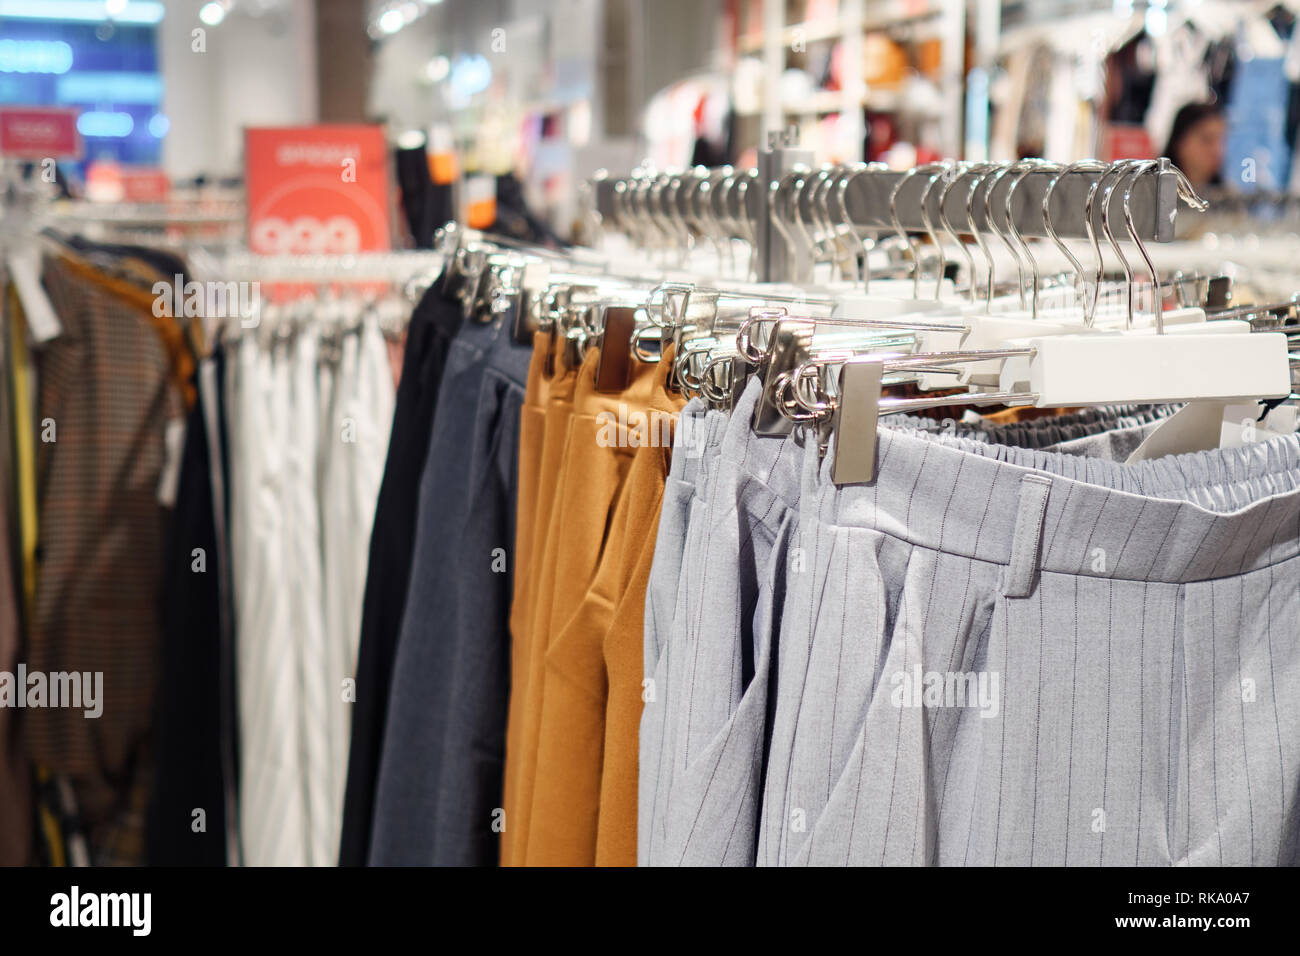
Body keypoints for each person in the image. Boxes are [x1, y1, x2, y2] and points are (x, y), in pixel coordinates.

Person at [1162, 101, 1226, 192]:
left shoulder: (1230, 198)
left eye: (1222, 141)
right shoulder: (1152, 193)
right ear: (1180, 142)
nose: (1217, 150)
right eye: (1207, 140)